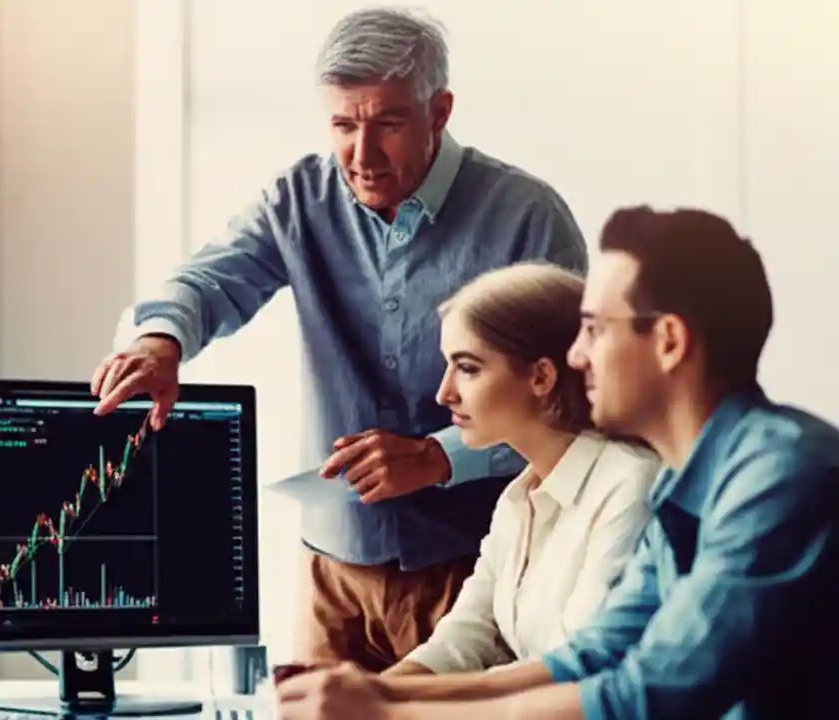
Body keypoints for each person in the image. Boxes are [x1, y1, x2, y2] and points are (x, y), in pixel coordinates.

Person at [91, 7, 587, 671]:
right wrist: (160, 341)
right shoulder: (298, 199)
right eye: (343, 124)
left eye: (387, 122)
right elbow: (208, 283)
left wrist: (438, 457)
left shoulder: (528, 218)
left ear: (439, 112)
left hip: (472, 570)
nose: (361, 152)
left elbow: (569, 404)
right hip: (330, 574)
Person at [276, 206, 839, 719]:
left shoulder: (780, 476)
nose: (576, 355)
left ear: (668, 341)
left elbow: (647, 692)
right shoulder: (683, 485)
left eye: (594, 330)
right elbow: (589, 655)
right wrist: (381, 691)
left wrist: (391, 713)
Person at [381, 262, 658, 678]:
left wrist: (389, 706)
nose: (444, 393)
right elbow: (465, 637)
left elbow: (573, 672)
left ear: (541, 376)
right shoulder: (517, 499)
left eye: (468, 368)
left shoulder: (630, 487)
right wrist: (377, 694)